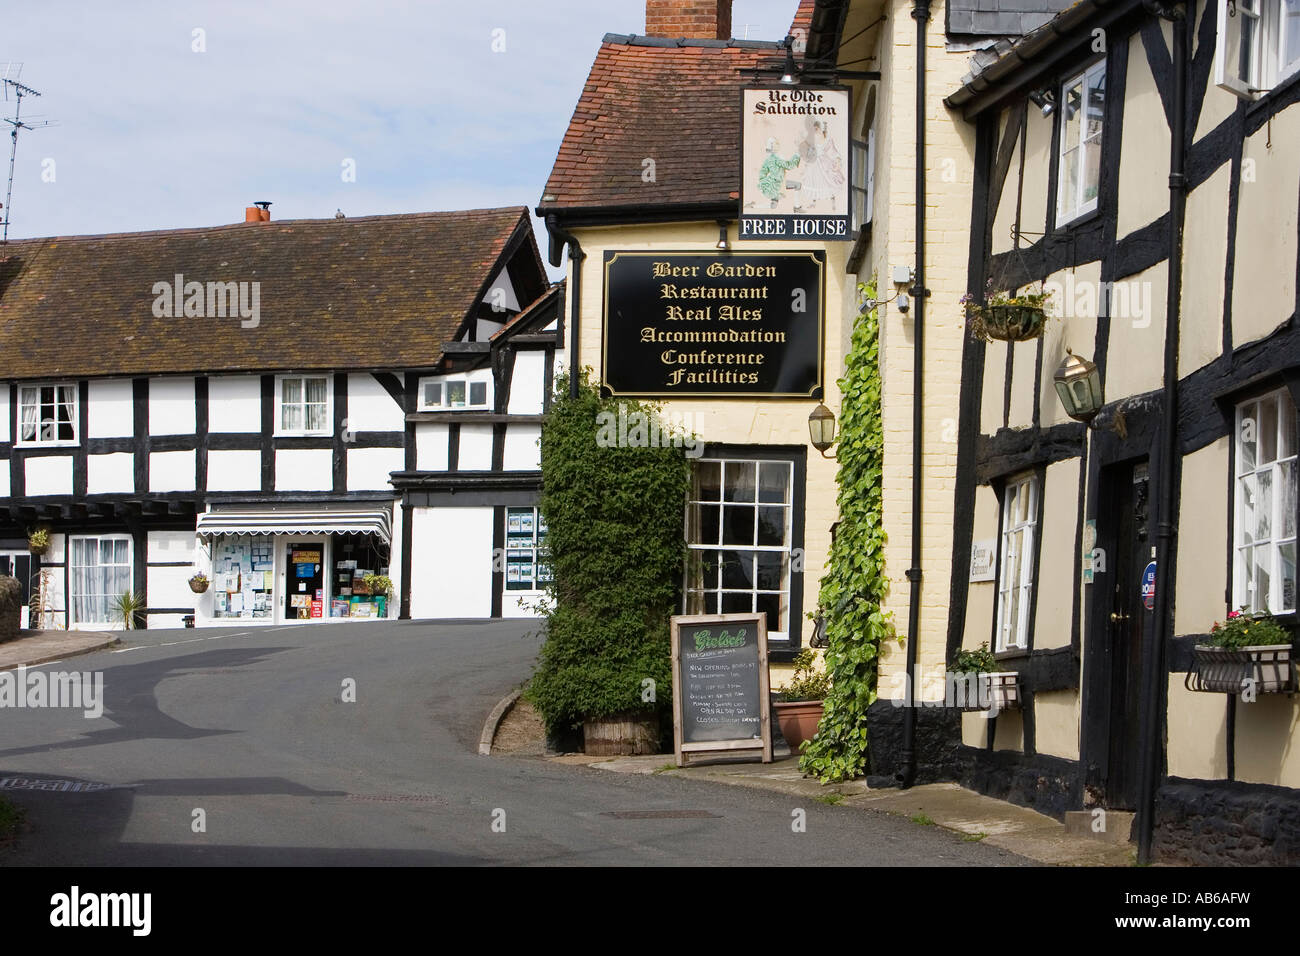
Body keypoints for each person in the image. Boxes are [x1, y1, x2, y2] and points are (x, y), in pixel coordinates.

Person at [757, 137, 800, 208]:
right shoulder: (776, 158)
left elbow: (762, 171)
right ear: (772, 146)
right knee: (798, 185)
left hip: (772, 184)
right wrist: (796, 155)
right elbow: (789, 166)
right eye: (776, 143)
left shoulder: (769, 158)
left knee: (773, 206)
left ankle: (753, 206)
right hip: (778, 185)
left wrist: (764, 181)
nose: (778, 144)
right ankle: (797, 207)